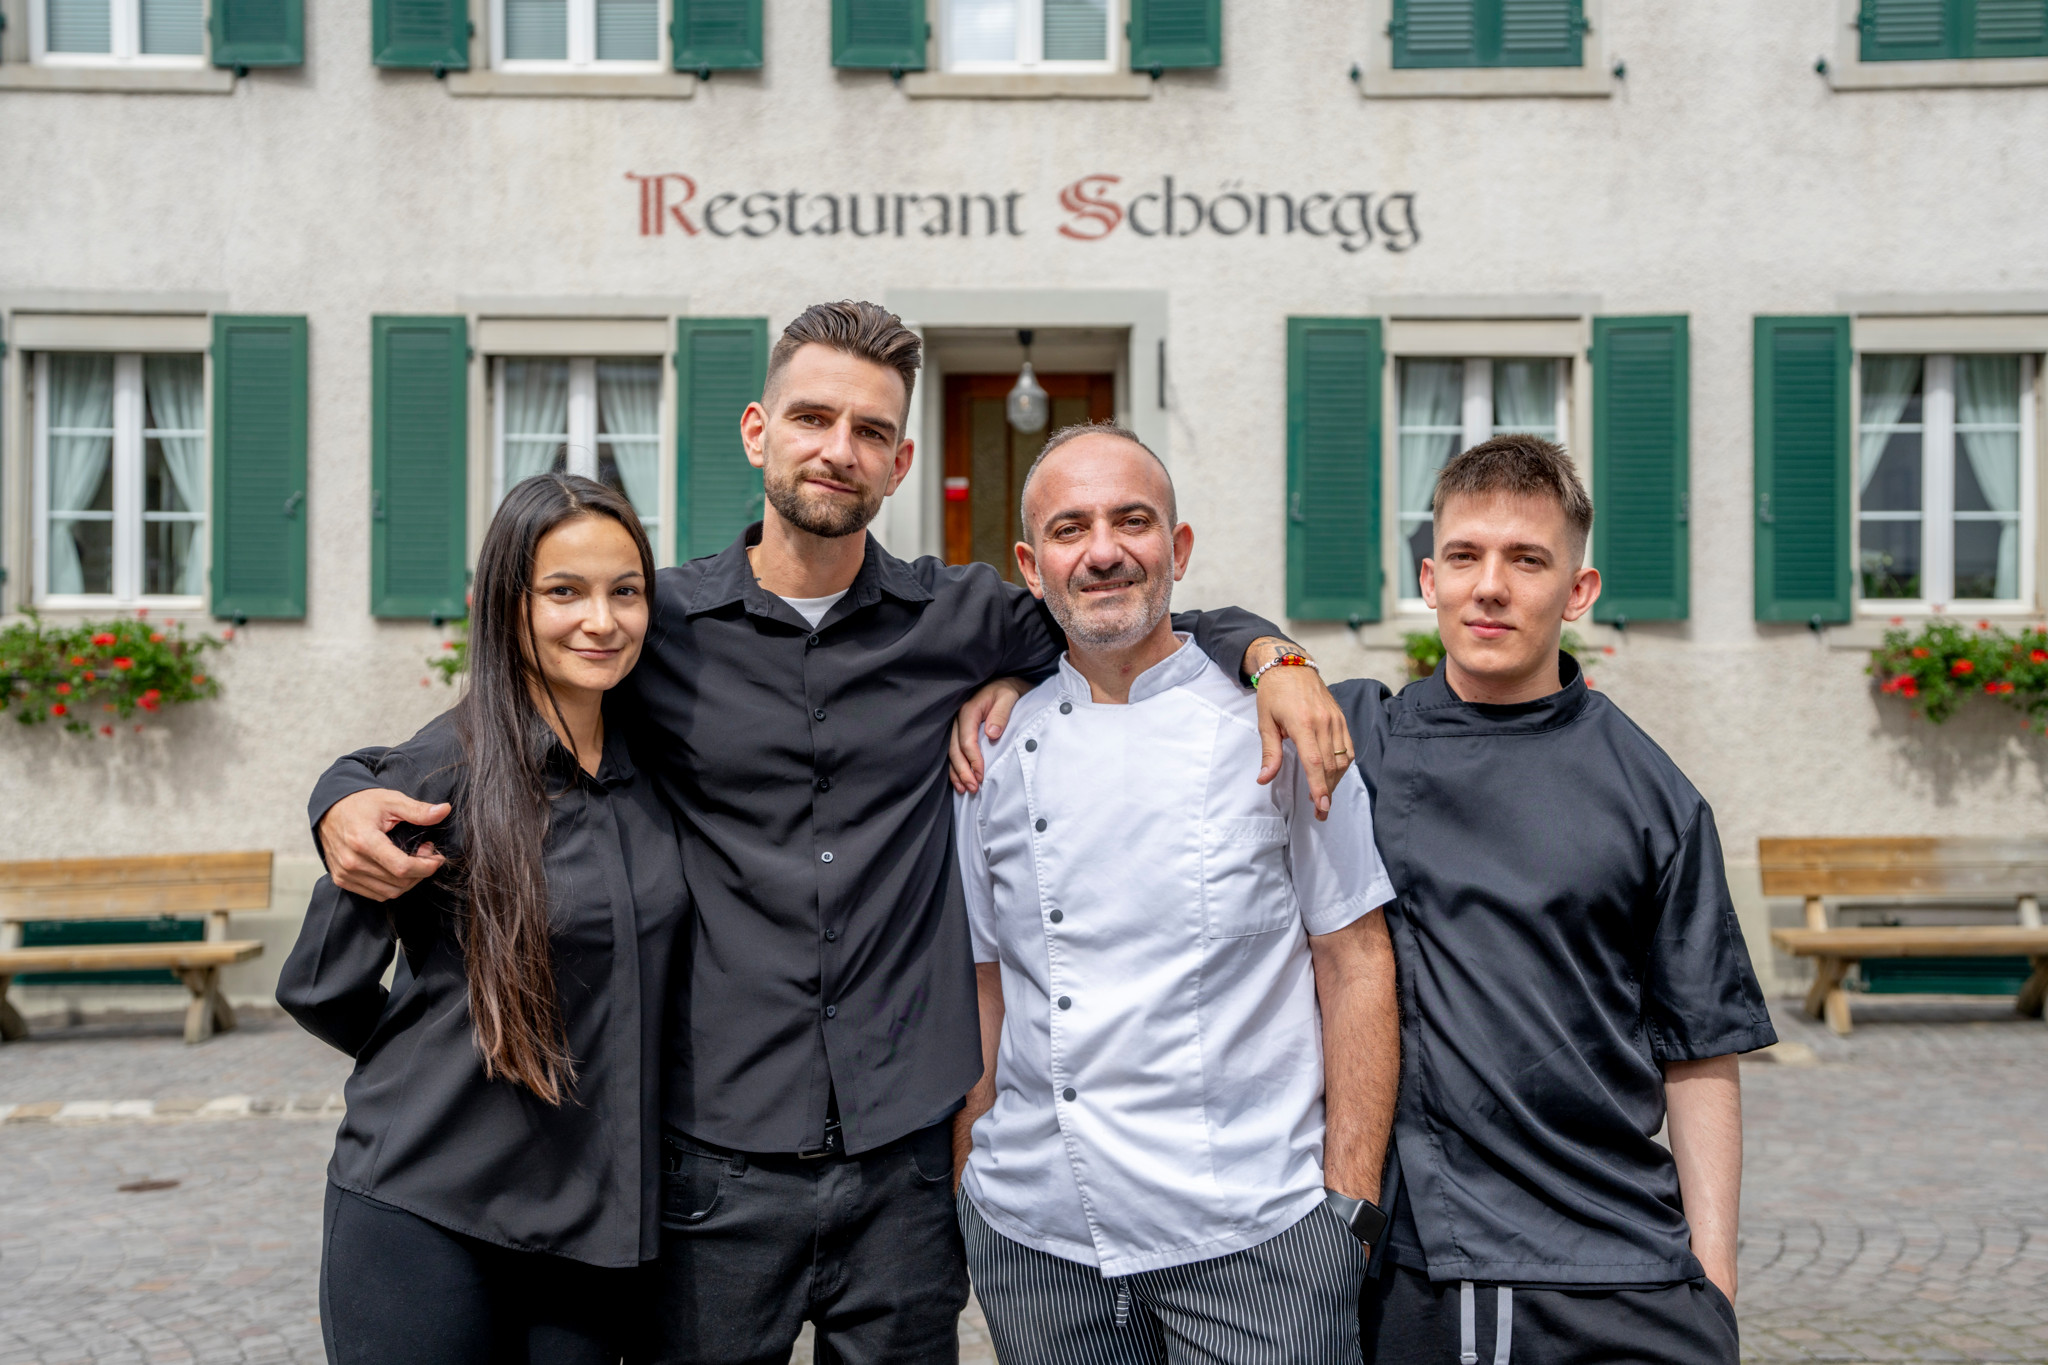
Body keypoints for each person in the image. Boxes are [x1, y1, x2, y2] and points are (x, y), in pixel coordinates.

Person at [306, 301, 1356, 1365]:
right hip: (712, 1165)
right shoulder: (648, 626)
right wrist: (338, 796)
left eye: (868, 431)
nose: (836, 450)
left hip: (901, 1169)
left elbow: (1128, 606)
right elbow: (475, 733)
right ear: (760, 431)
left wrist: (1269, 655)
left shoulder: (961, 619)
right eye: (813, 418)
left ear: (900, 462)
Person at [950, 423, 1401, 1365]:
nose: (1104, 550)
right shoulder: (990, 750)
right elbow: (986, 984)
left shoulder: (1282, 723)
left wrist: (1347, 1204)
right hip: (1039, 1240)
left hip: (1255, 1238)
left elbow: (1355, 960)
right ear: (1032, 567)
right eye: (1071, 529)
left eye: (1133, 521)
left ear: (1179, 549)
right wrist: (971, 1174)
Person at [1342, 435, 1775, 1364]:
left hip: (1625, 1266)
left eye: (1526, 559)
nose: (1489, 586)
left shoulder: (1653, 793)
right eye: (1464, 556)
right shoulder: (1360, 743)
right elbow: (1177, 654)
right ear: (1430, 576)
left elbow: (1699, 1050)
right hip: (1437, 1273)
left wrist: (1716, 1288)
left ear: (1578, 590)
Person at [277, 474, 686, 1364]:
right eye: (565, 592)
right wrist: (453, 1060)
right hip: (428, 1219)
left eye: (626, 591)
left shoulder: (659, 771)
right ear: (507, 606)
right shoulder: (439, 774)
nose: (602, 620)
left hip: (592, 1234)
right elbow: (317, 984)